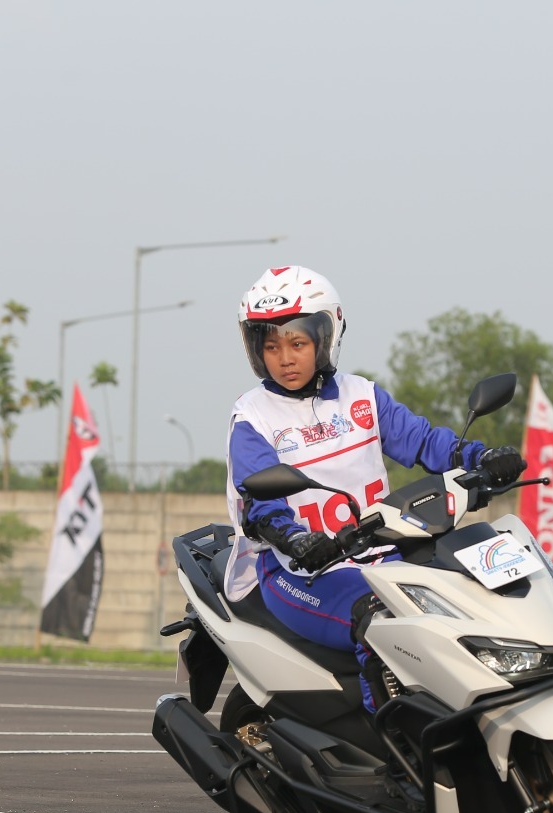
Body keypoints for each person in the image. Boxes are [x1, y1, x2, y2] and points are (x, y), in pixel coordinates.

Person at [223, 265, 526, 714]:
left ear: (325, 337)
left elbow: (425, 441)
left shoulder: (362, 397)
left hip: (381, 553)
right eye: (271, 346)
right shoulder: (253, 418)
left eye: (298, 343)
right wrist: (294, 536)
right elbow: (259, 497)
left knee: (468, 602)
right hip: (299, 570)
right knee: (382, 622)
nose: (284, 358)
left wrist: (480, 458)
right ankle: (396, 753)